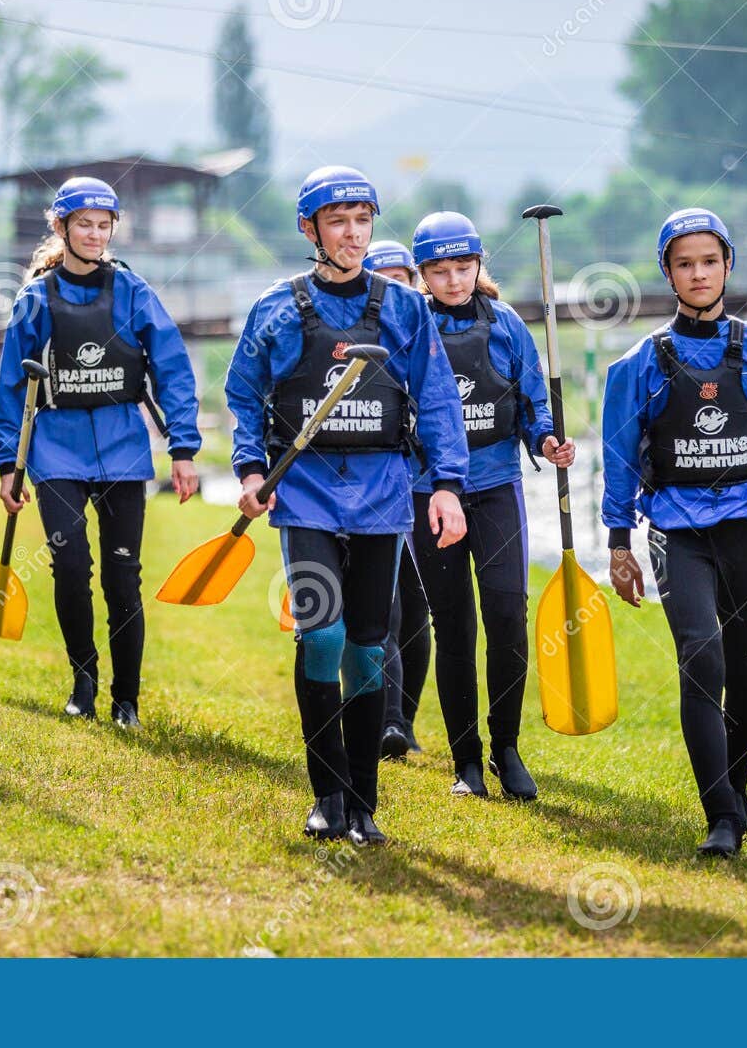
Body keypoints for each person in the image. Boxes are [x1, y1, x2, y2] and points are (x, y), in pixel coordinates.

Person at [226, 167, 468, 846]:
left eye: (363, 219)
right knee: (322, 636)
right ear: (310, 229)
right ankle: (326, 795)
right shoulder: (277, 306)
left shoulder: (404, 308)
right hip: (302, 494)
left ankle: (364, 802)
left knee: (365, 650)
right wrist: (249, 466)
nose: (353, 233)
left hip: (383, 495)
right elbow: (244, 393)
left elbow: (440, 398)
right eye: (338, 220)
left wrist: (447, 484)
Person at [601, 208, 747, 859]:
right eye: (685, 263)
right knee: (701, 658)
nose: (698, 273)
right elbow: (619, 459)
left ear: (727, 265)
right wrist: (619, 545)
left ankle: (737, 792)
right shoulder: (639, 365)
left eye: (709, 260)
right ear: (669, 273)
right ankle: (721, 816)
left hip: (745, 531)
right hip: (674, 532)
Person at [0, 177, 202, 729]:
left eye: (104, 225)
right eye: (83, 223)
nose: (94, 234)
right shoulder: (35, 299)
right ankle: (84, 677)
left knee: (122, 576)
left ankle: (126, 699)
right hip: (56, 453)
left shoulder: (133, 292)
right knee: (71, 565)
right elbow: (12, 385)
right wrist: (6, 463)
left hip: (125, 452)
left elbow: (173, 369)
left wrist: (183, 448)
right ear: (61, 227)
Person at [411, 211, 574, 801]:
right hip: (428, 495)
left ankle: (506, 746)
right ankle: (466, 762)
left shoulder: (505, 325)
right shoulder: (410, 325)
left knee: (506, 617)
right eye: (439, 270)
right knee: (454, 624)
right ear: (422, 273)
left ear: (479, 265)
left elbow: (534, 406)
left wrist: (546, 440)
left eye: (462, 267)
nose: (453, 280)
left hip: (498, 486)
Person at [361, 240, 433, 760]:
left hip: (426, 492)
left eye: (400, 278)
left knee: (417, 613)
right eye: (381, 279)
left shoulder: (429, 334)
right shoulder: (355, 340)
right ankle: (386, 721)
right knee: (384, 611)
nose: (394, 288)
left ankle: (404, 721)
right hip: (377, 493)